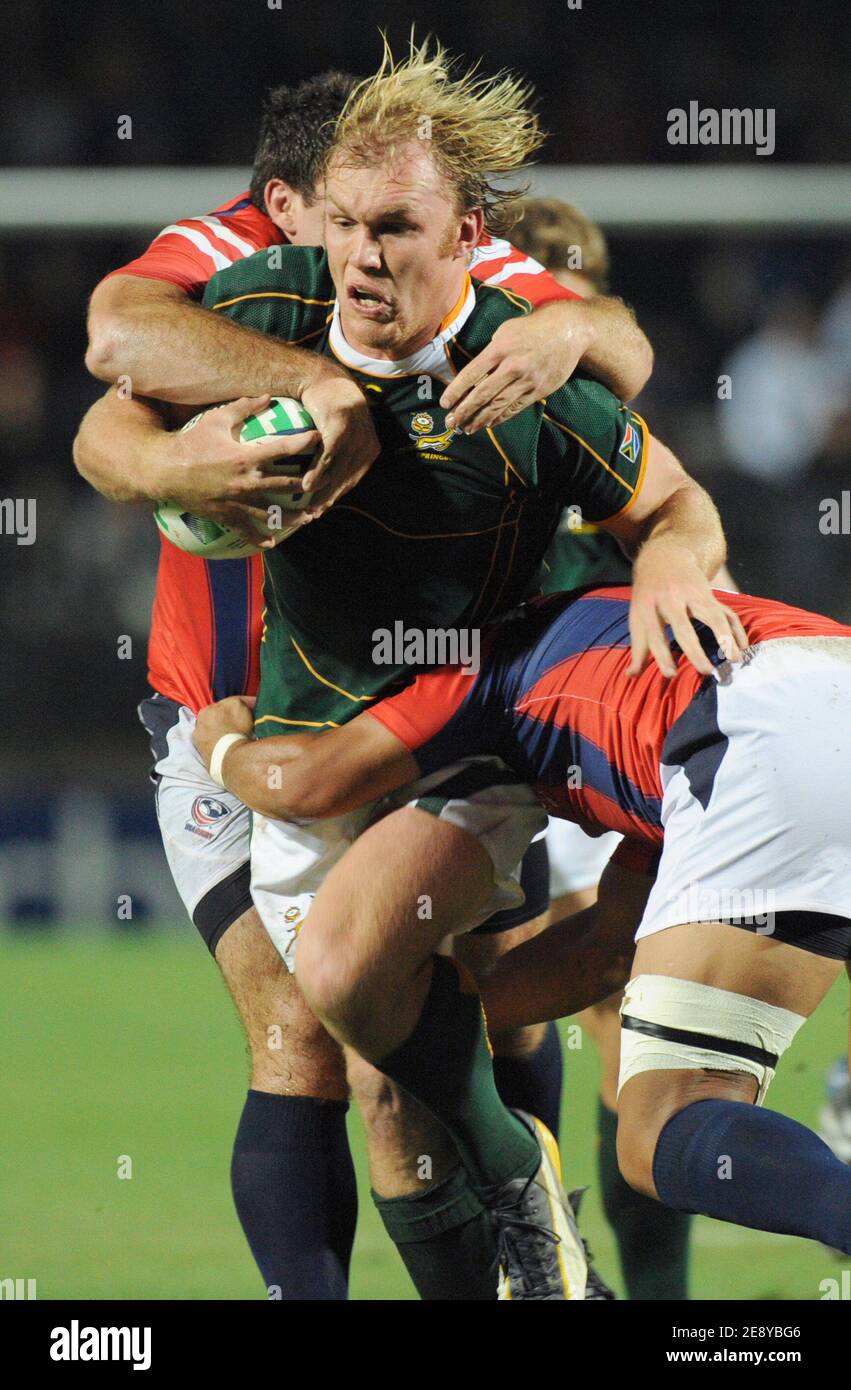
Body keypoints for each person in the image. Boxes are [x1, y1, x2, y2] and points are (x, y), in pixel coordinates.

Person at [75, 37, 728, 1298]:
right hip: (255, 713)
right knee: (345, 1053)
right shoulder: (249, 283)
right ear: (295, 209)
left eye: (394, 225)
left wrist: (658, 534)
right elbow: (114, 371)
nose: (362, 253)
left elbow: (642, 413)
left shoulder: (511, 351)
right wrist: (190, 458)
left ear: (460, 229)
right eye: (344, 223)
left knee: (376, 1011)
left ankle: (537, 1225)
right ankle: (525, 1215)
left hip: (455, 730)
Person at [193, 582, 851, 1271]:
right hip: (807, 682)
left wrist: (222, 749)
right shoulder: (616, 641)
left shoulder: (473, 664)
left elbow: (302, 788)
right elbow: (601, 954)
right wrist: (414, 1029)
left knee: (665, 1122)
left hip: (759, 736)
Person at [511, 195, 694, 1298]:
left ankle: (630, 1289)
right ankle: (541, 1254)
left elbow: (673, 524)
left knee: (613, 1003)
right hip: (481, 731)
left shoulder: (586, 384)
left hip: (589, 729)